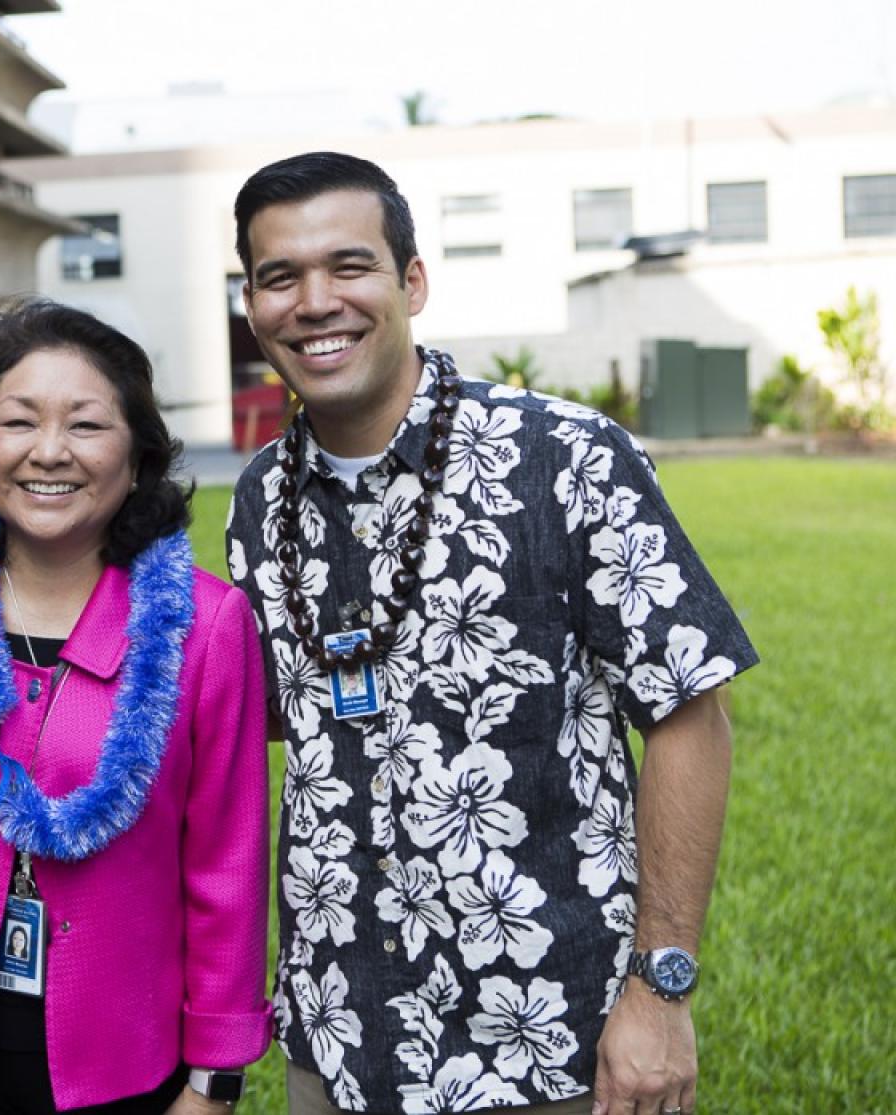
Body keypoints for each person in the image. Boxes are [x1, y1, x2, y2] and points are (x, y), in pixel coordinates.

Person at [225, 152, 759, 1115]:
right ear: (253, 304)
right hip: (342, 1038)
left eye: (349, 266)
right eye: (278, 276)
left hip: (554, 1035)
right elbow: (268, 735)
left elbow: (689, 712)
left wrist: (662, 987)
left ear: (412, 281)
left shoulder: (565, 457)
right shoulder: (261, 500)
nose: (314, 301)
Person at [0, 298, 271, 1114]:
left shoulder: (204, 623)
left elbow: (227, 862)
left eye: (86, 425)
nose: (48, 452)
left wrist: (216, 1079)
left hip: (123, 1059)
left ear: (138, 455)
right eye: (18, 421)